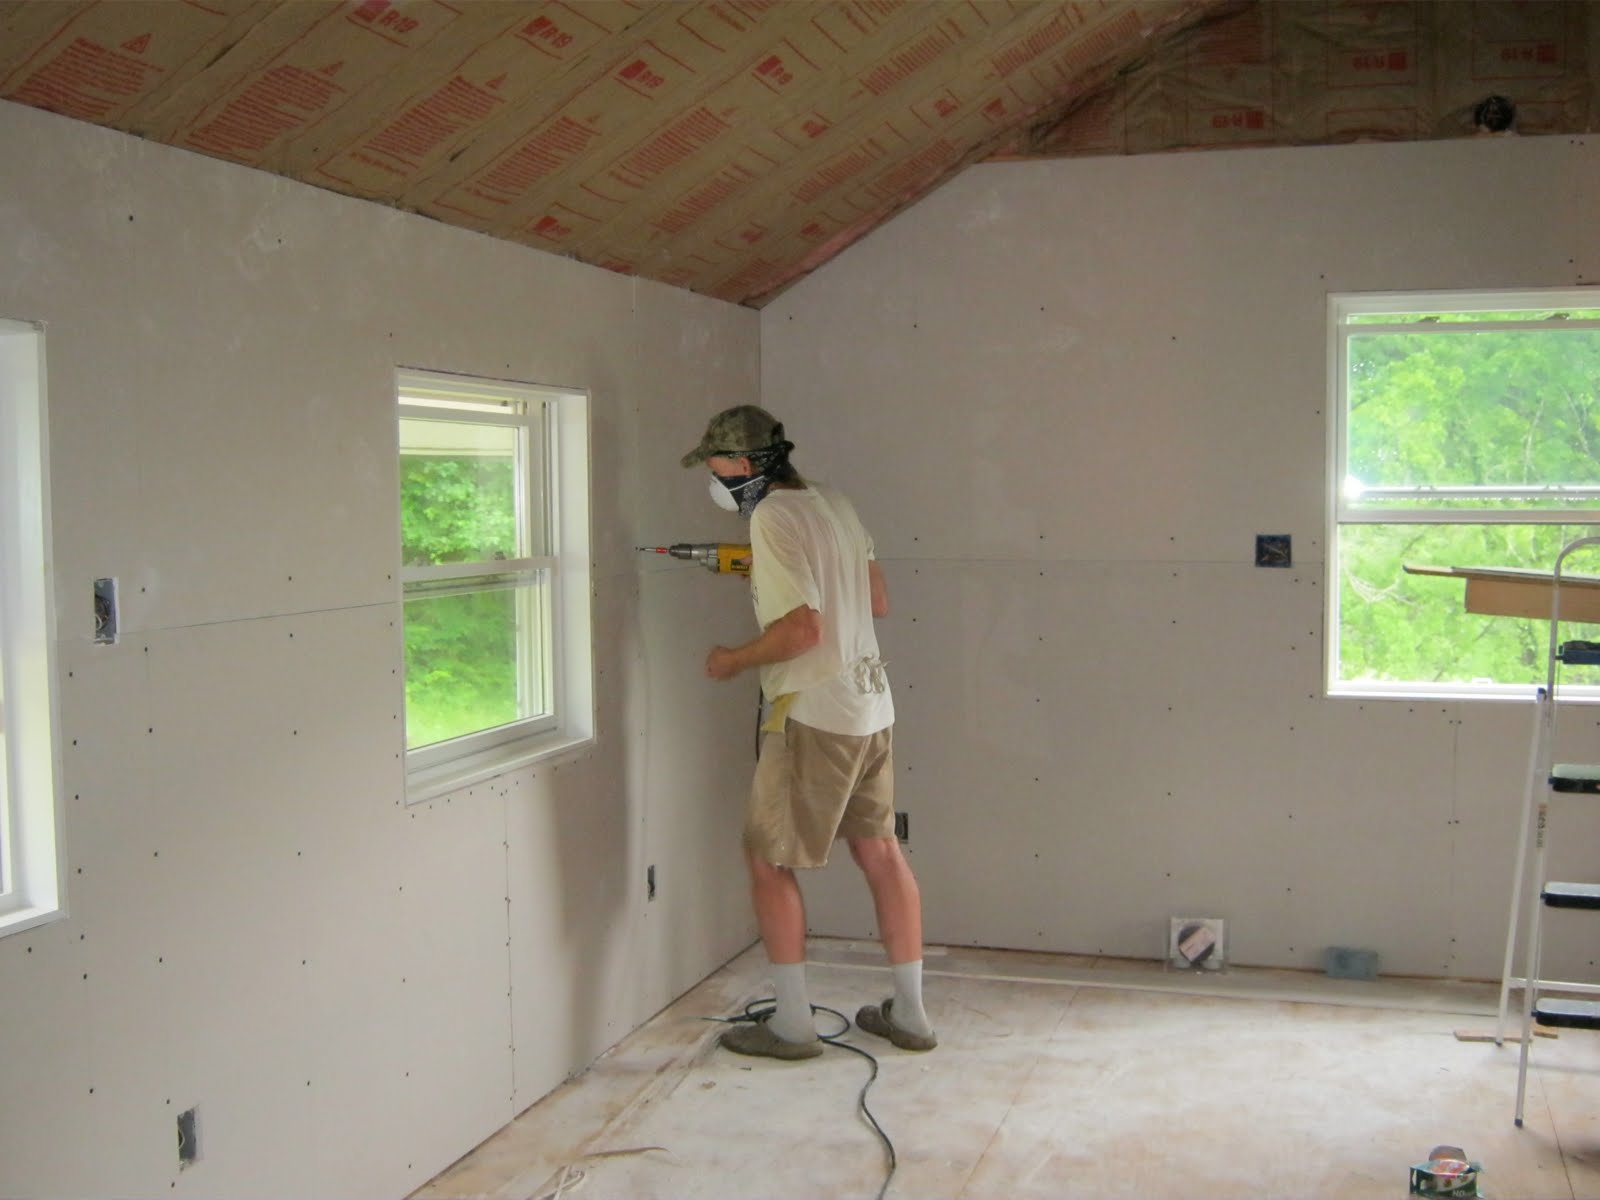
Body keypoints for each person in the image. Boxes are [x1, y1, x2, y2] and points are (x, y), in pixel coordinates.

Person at [682, 404, 937, 1060]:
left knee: (767, 860)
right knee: (881, 852)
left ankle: (793, 1026)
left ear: (744, 463)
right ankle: (911, 1016)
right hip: (869, 705)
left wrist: (732, 660)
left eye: (715, 464)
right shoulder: (833, 502)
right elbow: (875, 600)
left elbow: (801, 631)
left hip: (815, 712)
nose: (712, 477)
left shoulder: (771, 516)